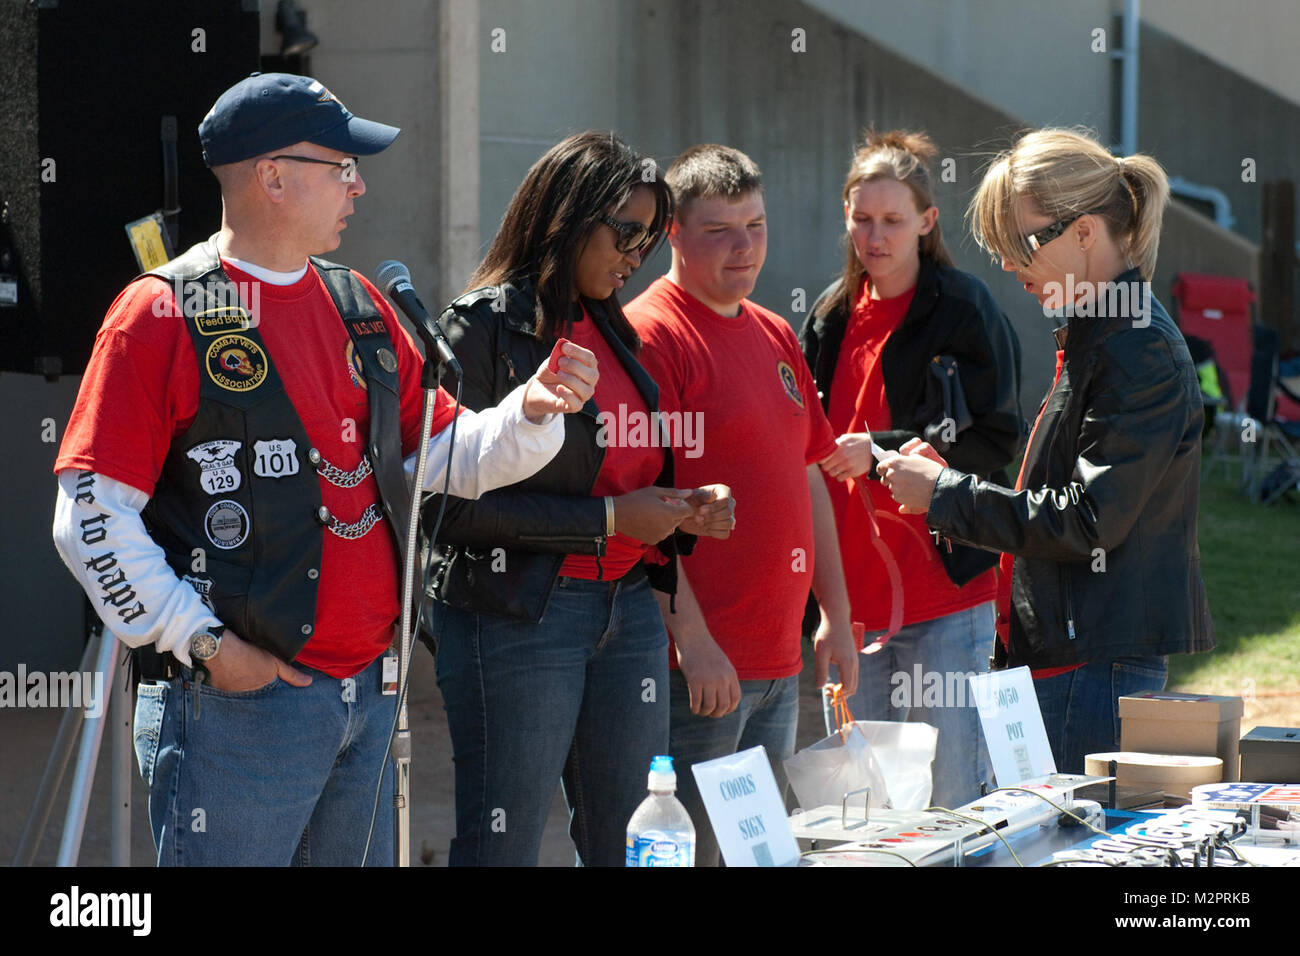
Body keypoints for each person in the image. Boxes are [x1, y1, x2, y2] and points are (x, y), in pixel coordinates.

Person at [50, 73, 595, 866]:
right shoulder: (159, 313)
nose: (360, 184)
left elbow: (440, 455)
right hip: (237, 709)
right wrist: (205, 647)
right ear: (271, 176)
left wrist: (532, 413)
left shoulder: (360, 302)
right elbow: (89, 515)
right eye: (341, 166)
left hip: (367, 697)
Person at [423, 131, 735, 867]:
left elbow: (620, 470)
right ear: (568, 216)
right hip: (519, 617)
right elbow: (444, 506)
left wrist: (685, 506)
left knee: (634, 845)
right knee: (503, 847)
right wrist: (605, 522)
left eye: (651, 240)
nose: (637, 256)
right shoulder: (483, 326)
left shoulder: (612, 324)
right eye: (627, 233)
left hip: (625, 610)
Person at [879, 127, 1215, 773]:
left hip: (1091, 661)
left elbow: (1088, 523)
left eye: (1020, 244)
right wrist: (949, 484)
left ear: (1084, 233)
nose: (1008, 265)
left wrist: (945, 495)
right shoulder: (1107, 334)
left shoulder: (1132, 345)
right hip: (1076, 654)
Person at [625, 144, 860, 866]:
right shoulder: (650, 335)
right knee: (682, 853)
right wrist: (691, 642)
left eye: (755, 225)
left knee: (751, 856)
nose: (744, 247)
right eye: (719, 230)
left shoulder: (774, 330)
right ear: (672, 232)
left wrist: (836, 617)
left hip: (775, 662)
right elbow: (640, 508)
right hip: (696, 668)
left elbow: (809, 474)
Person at [799, 131, 1024, 809]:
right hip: (852, 608)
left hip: (944, 596)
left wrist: (885, 449)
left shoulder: (964, 308)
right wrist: (821, 604)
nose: (876, 236)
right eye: (862, 219)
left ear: (926, 223)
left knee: (950, 802)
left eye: (893, 220)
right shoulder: (829, 316)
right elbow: (807, 451)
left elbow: (996, 440)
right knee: (865, 816)